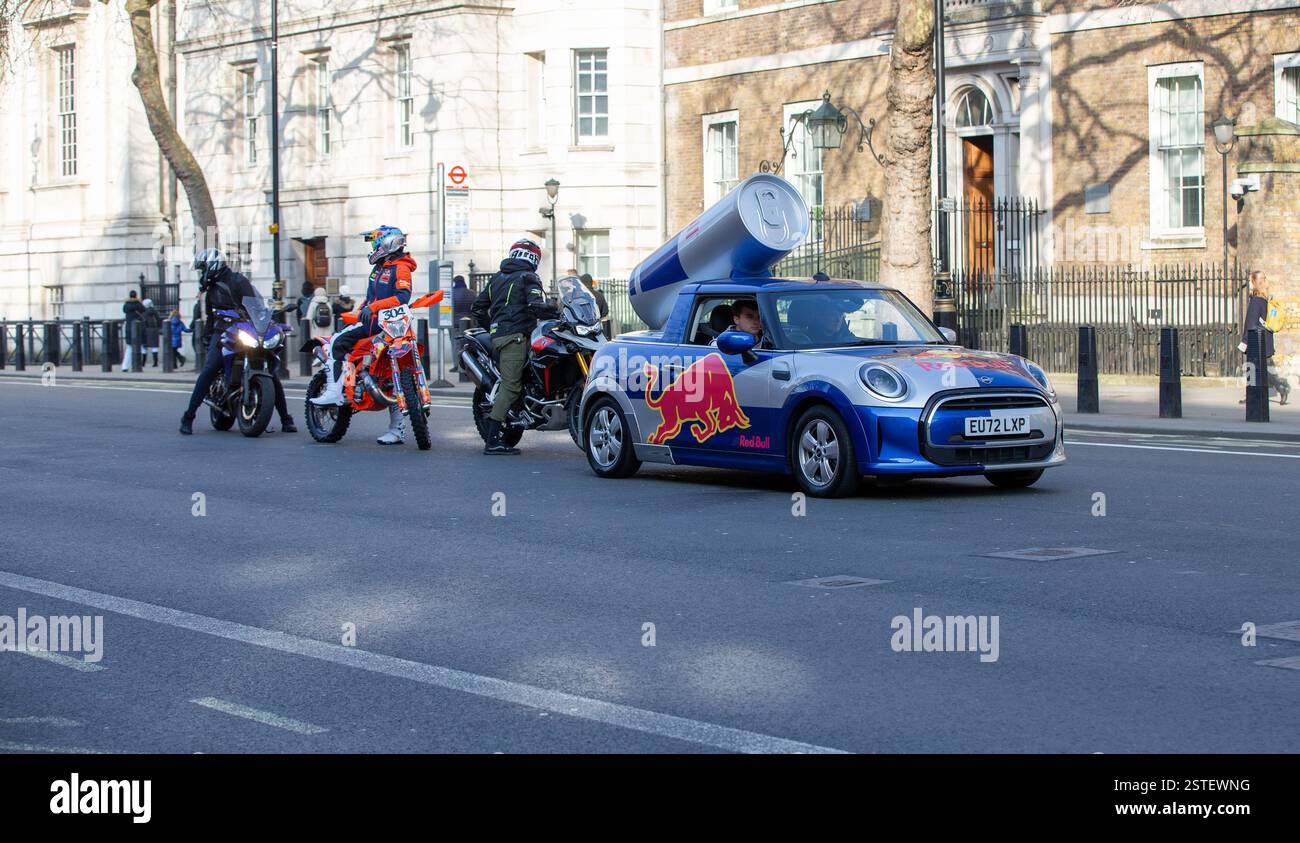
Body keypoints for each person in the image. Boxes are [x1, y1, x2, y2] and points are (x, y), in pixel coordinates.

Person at [311, 226, 416, 447]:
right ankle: (343, 387)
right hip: (374, 322)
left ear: (387, 244)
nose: (373, 248)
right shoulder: (379, 268)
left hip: (388, 325)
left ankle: (335, 393)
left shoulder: (401, 267)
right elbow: (370, 299)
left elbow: (402, 297)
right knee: (349, 349)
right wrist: (362, 310)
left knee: (338, 343)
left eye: (375, 243)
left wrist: (374, 307)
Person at [179, 249, 296, 435]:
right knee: (210, 368)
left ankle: (286, 419)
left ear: (212, 265)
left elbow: (255, 305)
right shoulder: (210, 289)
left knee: (271, 373)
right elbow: (210, 317)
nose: (202, 274)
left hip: (244, 329)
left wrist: (265, 320)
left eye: (203, 269)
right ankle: (188, 417)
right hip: (223, 331)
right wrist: (208, 337)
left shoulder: (237, 281)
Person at [471, 238, 559, 455]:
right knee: (511, 386)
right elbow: (536, 306)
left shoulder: (497, 278)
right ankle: (492, 441)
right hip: (515, 337)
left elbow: (478, 308)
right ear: (534, 258)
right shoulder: (528, 277)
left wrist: (493, 328)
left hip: (504, 336)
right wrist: (557, 312)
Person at [1238, 270, 1290, 405]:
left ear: (1255, 283)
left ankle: (1281, 388)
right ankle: (1252, 395)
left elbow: (1251, 323)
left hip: (1256, 341)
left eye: (1250, 282)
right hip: (1264, 339)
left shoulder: (1256, 301)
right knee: (1258, 369)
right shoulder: (1264, 300)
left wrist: (1246, 341)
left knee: (1257, 369)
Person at [121, 291, 143, 371]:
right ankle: (136, 366)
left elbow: (124, 310)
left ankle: (125, 366)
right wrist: (139, 301)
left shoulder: (126, 305)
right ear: (136, 296)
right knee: (138, 347)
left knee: (129, 347)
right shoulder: (138, 304)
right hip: (137, 328)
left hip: (128, 328)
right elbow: (143, 310)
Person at [141, 298, 163, 367]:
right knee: (154, 346)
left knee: (144, 346)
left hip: (145, 330)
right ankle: (155, 362)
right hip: (154, 329)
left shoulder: (143, 312)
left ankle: (143, 362)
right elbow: (159, 320)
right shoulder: (154, 311)